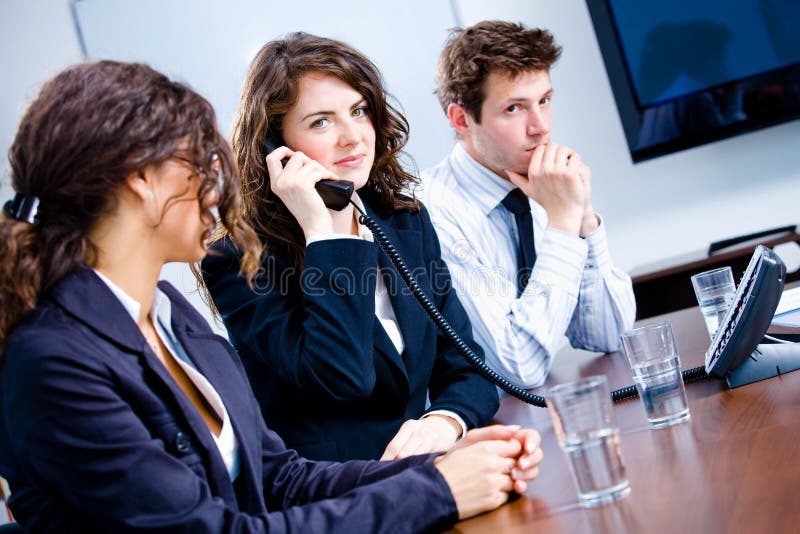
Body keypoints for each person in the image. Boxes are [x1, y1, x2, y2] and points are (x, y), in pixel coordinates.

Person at [0, 60, 542, 532]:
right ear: (142, 179)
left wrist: (441, 465)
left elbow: (279, 477)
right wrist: (437, 492)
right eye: (200, 165)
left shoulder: (168, 314)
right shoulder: (54, 362)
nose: (219, 190)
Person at [200, 32, 499, 463]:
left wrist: (445, 421)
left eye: (359, 111)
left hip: (430, 474)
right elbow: (343, 375)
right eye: (321, 122)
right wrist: (327, 235)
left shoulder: (404, 222)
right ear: (275, 146)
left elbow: (470, 369)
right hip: (333, 498)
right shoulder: (237, 258)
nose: (353, 137)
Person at [421, 21, 636, 389]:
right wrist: (564, 223)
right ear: (461, 119)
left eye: (544, 101)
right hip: (478, 433)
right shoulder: (432, 213)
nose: (541, 127)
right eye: (514, 108)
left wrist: (582, 217)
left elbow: (610, 335)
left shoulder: (544, 185)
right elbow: (517, 369)